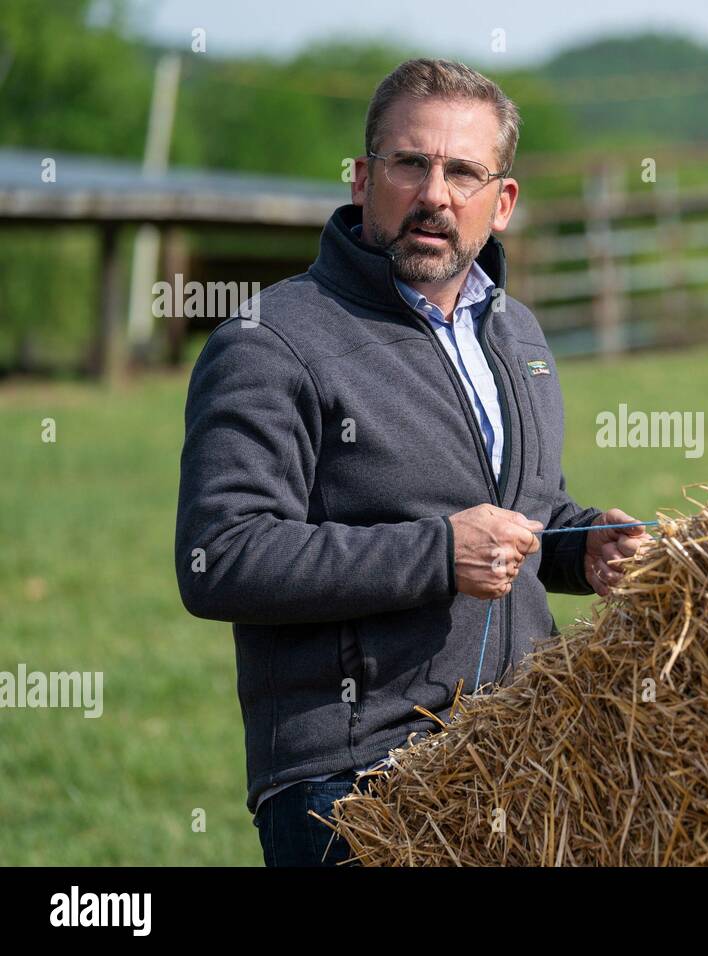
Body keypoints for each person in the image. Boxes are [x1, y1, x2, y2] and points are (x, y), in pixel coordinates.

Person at [174, 58, 649, 866]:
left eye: (464, 171)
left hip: (522, 754)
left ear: (501, 203)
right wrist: (438, 553)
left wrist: (581, 543)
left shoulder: (518, 336)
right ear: (363, 180)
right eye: (410, 164)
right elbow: (220, 555)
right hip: (355, 784)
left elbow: (521, 511)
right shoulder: (272, 341)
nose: (435, 194)